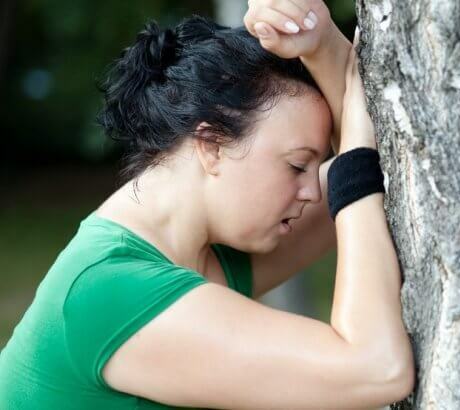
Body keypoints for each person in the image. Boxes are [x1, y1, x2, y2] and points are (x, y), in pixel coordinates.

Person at [0, 0, 415, 408]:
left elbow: (377, 172)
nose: (312, 190)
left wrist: (319, 42)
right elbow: (375, 369)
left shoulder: (194, 248)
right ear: (212, 145)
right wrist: (355, 148)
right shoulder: (110, 292)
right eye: (296, 165)